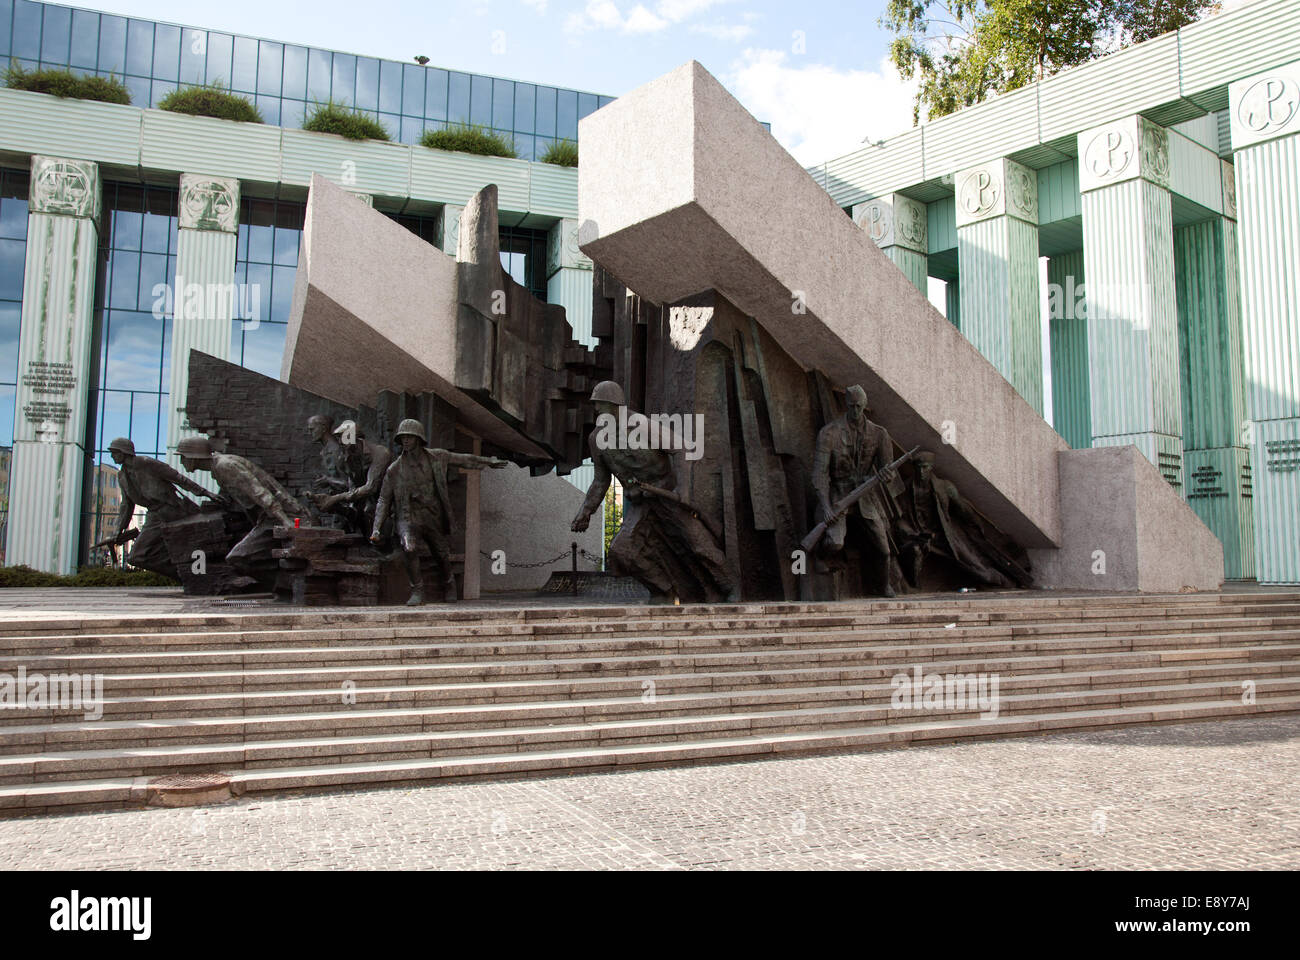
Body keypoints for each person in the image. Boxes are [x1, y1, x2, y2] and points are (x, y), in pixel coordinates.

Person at [571, 381, 736, 603]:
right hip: (641, 503)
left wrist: (684, 489)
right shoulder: (596, 440)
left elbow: (681, 449)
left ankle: (730, 587)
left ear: (615, 404)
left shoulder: (642, 425)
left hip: (667, 495)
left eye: (600, 404)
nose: (597, 409)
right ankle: (664, 590)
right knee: (622, 551)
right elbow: (601, 480)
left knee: (698, 544)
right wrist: (586, 512)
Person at [370, 418, 508, 605]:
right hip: (407, 517)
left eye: (410, 437)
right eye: (403, 438)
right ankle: (417, 590)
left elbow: (464, 459)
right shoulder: (394, 470)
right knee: (408, 548)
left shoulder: (437, 457)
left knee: (441, 553)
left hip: (432, 515)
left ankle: (449, 583)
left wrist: (488, 461)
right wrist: (376, 528)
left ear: (419, 438)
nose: (406, 441)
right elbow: (384, 499)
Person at [810, 384, 900, 597]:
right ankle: (820, 556)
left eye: (859, 406)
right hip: (839, 494)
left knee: (884, 549)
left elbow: (889, 471)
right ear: (846, 404)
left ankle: (884, 585)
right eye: (852, 406)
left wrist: (888, 476)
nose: (856, 410)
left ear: (865, 405)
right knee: (834, 542)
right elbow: (819, 475)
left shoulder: (879, 434)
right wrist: (825, 507)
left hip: (865, 497)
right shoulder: (829, 433)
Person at [176, 435, 305, 571]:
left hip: (281, 517)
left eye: (183, 457)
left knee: (237, 558)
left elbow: (259, 492)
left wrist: (285, 521)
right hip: (269, 518)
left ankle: (277, 582)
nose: (181, 462)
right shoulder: (218, 467)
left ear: (193, 457)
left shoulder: (225, 466)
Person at [105, 437, 215, 578]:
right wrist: (118, 530)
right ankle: (185, 574)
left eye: (114, 452)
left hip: (173, 510)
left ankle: (196, 574)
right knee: (137, 557)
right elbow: (126, 505)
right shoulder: (122, 476)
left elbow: (177, 478)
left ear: (124, 452)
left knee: (191, 546)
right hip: (154, 515)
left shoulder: (146, 463)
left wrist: (204, 492)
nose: (112, 456)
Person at [310, 420, 391, 535]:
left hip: (388, 502)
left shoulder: (380, 453)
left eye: (344, 437)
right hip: (366, 503)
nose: (341, 442)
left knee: (371, 511)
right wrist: (331, 502)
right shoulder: (346, 458)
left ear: (355, 438)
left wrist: (335, 498)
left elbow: (370, 487)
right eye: (339, 438)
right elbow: (351, 489)